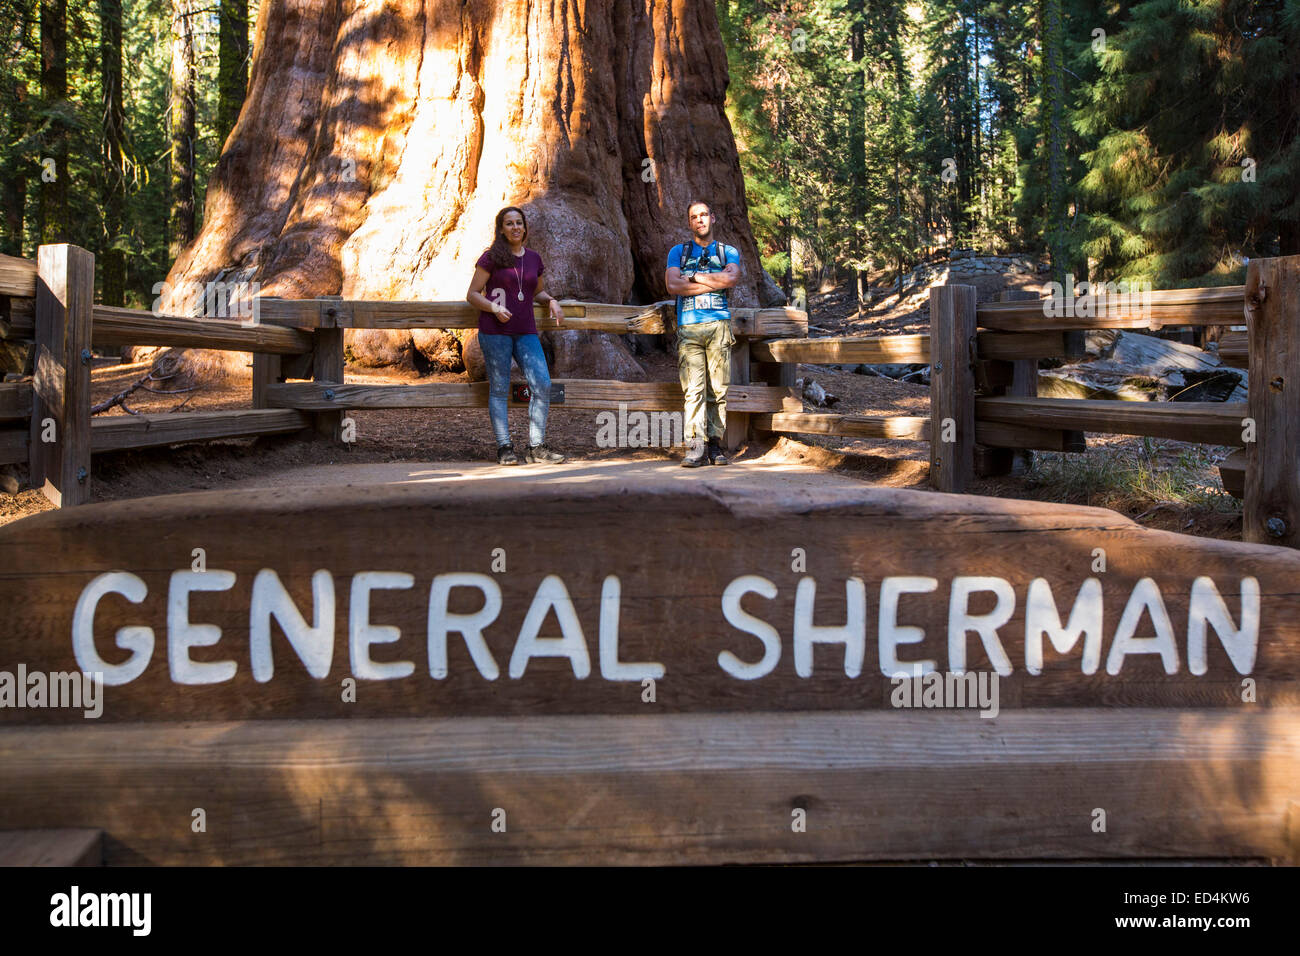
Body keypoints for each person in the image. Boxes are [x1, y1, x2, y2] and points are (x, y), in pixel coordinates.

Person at [466, 206, 567, 465]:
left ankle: (536, 447)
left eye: (519, 223)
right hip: (495, 331)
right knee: (499, 389)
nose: (515, 227)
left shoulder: (534, 258)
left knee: (542, 384)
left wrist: (552, 301)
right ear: (501, 229)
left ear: (525, 227)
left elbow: (536, 292)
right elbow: (473, 293)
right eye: (509, 223)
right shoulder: (491, 258)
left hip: (525, 332)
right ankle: (504, 447)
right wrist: (494, 307)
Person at [664, 200, 742, 467]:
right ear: (689, 222)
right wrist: (713, 281)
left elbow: (731, 279)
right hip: (689, 327)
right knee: (693, 390)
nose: (700, 220)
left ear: (713, 218)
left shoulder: (727, 251)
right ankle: (696, 447)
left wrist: (694, 279)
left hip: (719, 326)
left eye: (704, 215)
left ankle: (715, 447)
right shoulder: (679, 252)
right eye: (694, 216)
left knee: (718, 389)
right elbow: (673, 284)